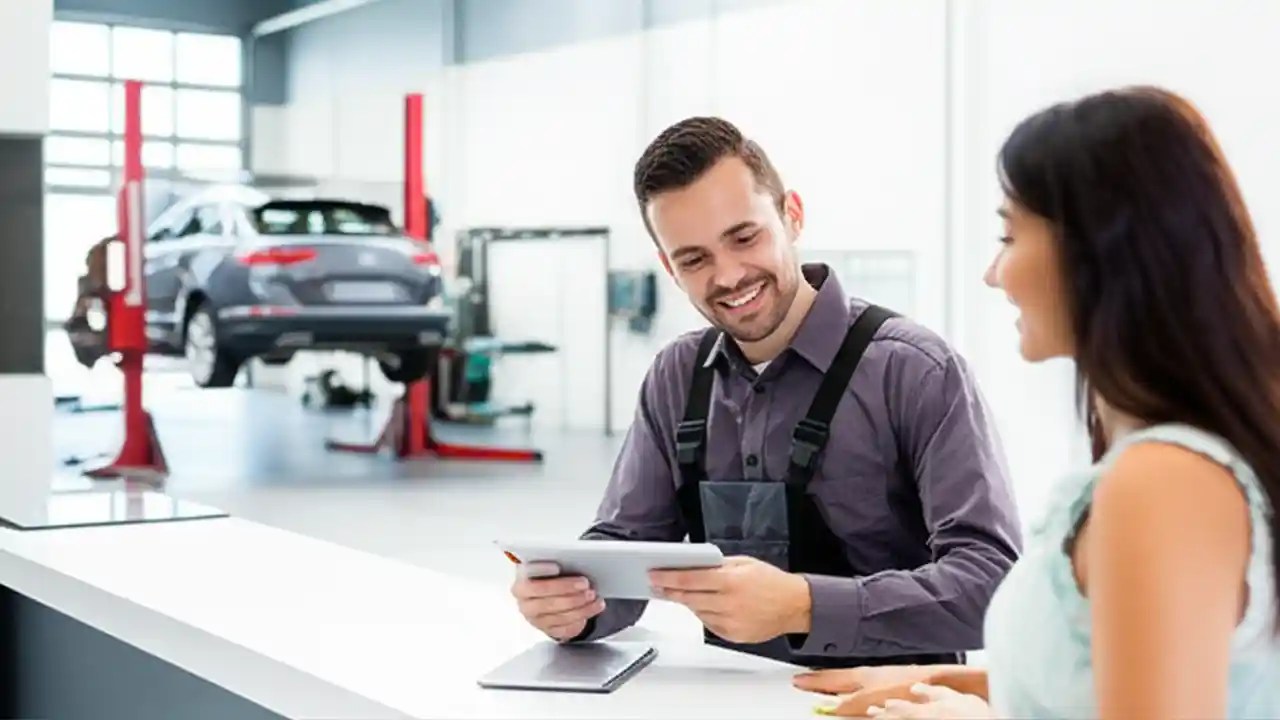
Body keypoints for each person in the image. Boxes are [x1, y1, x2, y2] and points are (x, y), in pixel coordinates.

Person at [794, 86, 1280, 718]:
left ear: (1096, 252)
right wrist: (950, 684)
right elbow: (1102, 685)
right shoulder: (1147, 469)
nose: (993, 273)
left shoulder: (1164, 482)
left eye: (1009, 235)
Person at [510, 116, 1023, 669]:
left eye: (744, 237)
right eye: (695, 259)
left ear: (792, 215)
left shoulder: (915, 372)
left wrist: (804, 606)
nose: (728, 275)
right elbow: (624, 545)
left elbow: (993, 585)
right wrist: (576, 604)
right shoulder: (677, 376)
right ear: (669, 267)